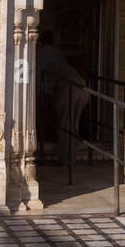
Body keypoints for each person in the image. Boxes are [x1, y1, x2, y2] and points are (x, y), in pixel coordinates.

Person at [36, 29, 89, 167]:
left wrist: (47, 93)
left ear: (39, 40)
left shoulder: (38, 54)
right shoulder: (58, 54)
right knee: (72, 125)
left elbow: (45, 78)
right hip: (82, 90)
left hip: (65, 90)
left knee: (65, 125)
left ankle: (66, 160)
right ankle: (70, 158)